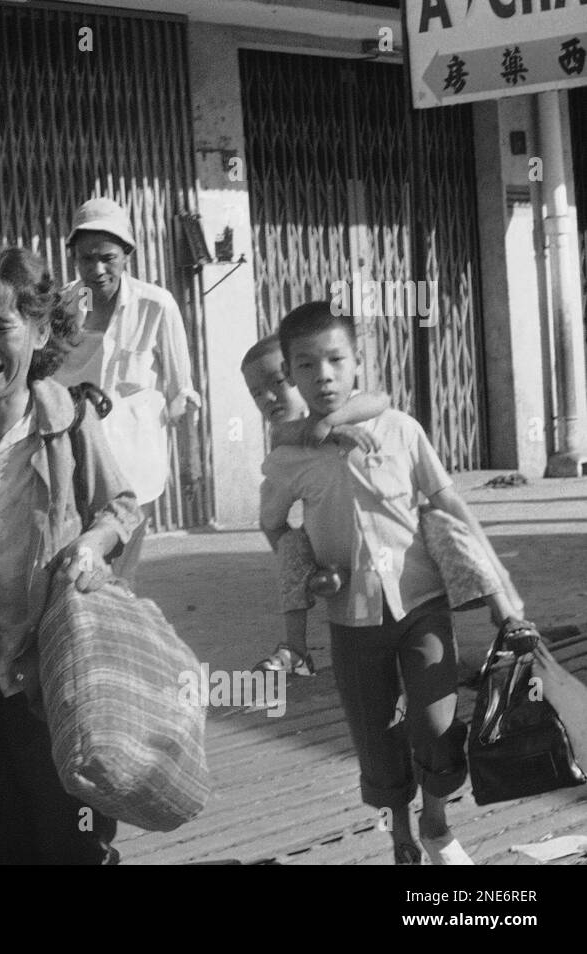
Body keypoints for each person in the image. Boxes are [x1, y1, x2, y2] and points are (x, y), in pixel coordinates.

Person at [258, 301, 519, 866]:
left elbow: (447, 499)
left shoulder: (399, 428)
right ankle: (400, 830)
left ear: (357, 363)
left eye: (335, 359)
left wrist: (499, 584)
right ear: (292, 375)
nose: (322, 375)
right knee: (376, 739)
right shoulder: (290, 456)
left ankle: (436, 821)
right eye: (306, 365)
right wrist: (302, 564)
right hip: (350, 619)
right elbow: (273, 523)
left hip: (422, 604)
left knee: (436, 724)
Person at [0, 242, 143, 864]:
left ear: (41, 331)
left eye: (1, 325)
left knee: (68, 838)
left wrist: (94, 546)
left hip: (49, 673)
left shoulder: (68, 423)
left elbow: (121, 507)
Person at [240, 333, 538, 677]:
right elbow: (272, 520)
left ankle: (504, 616)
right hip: (350, 577)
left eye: (277, 382)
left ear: (295, 376)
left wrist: (332, 422)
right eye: (255, 392)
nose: (267, 397)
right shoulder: (284, 445)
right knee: (296, 552)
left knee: (440, 525)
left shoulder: (382, 422)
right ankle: (295, 646)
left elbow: (380, 398)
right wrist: (304, 568)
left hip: (409, 568)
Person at [54, 198, 200, 581]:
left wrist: (190, 463)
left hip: (135, 465)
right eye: (86, 259)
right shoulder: (63, 307)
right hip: (76, 460)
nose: (97, 269)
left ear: (127, 255)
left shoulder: (157, 305)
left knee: (120, 575)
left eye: (108, 257)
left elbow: (181, 392)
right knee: (77, 566)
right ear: (74, 258)